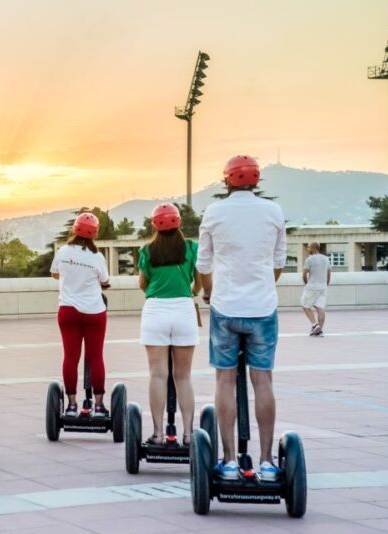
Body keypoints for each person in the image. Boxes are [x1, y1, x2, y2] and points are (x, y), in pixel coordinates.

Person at [197, 155, 287, 482]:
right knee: (263, 381)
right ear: (256, 180)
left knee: (224, 380)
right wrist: (262, 286)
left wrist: (210, 292)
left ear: (226, 180)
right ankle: (266, 462)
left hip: (226, 307)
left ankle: (230, 460)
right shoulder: (273, 211)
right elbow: (278, 263)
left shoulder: (214, 212)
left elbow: (203, 265)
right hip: (262, 308)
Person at [138, 203, 202, 445]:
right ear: (179, 222)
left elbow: (142, 284)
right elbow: (199, 281)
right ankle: (188, 434)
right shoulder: (192, 247)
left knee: (158, 375)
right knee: (183, 376)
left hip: (155, 310)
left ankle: (158, 434)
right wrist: (192, 290)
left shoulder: (147, 250)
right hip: (184, 309)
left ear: (154, 225)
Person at [51, 213, 110, 418]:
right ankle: (99, 406)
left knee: (70, 357)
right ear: (95, 233)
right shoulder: (97, 256)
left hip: (68, 310)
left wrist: (70, 275)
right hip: (94, 312)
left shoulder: (63, 251)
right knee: (96, 357)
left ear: (74, 229)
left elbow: (55, 273)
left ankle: (71, 405)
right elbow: (104, 280)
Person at [300, 241, 331, 337]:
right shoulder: (326, 259)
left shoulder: (309, 259)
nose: (307, 249)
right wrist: (326, 284)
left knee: (305, 305)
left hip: (312, 286)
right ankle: (319, 331)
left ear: (313, 248)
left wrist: (306, 284)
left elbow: (304, 274)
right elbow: (329, 274)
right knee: (320, 308)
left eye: (308, 247)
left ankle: (314, 324)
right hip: (323, 287)